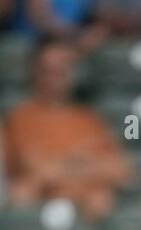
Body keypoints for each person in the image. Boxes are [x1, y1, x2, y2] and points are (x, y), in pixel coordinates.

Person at [3, 38, 133, 219]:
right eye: (48, 70)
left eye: (62, 70)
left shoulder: (91, 120)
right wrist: (81, 163)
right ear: (34, 72)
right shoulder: (17, 119)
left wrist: (66, 172)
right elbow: (34, 169)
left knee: (102, 199)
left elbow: (120, 169)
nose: (55, 77)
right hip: (39, 209)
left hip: (85, 210)